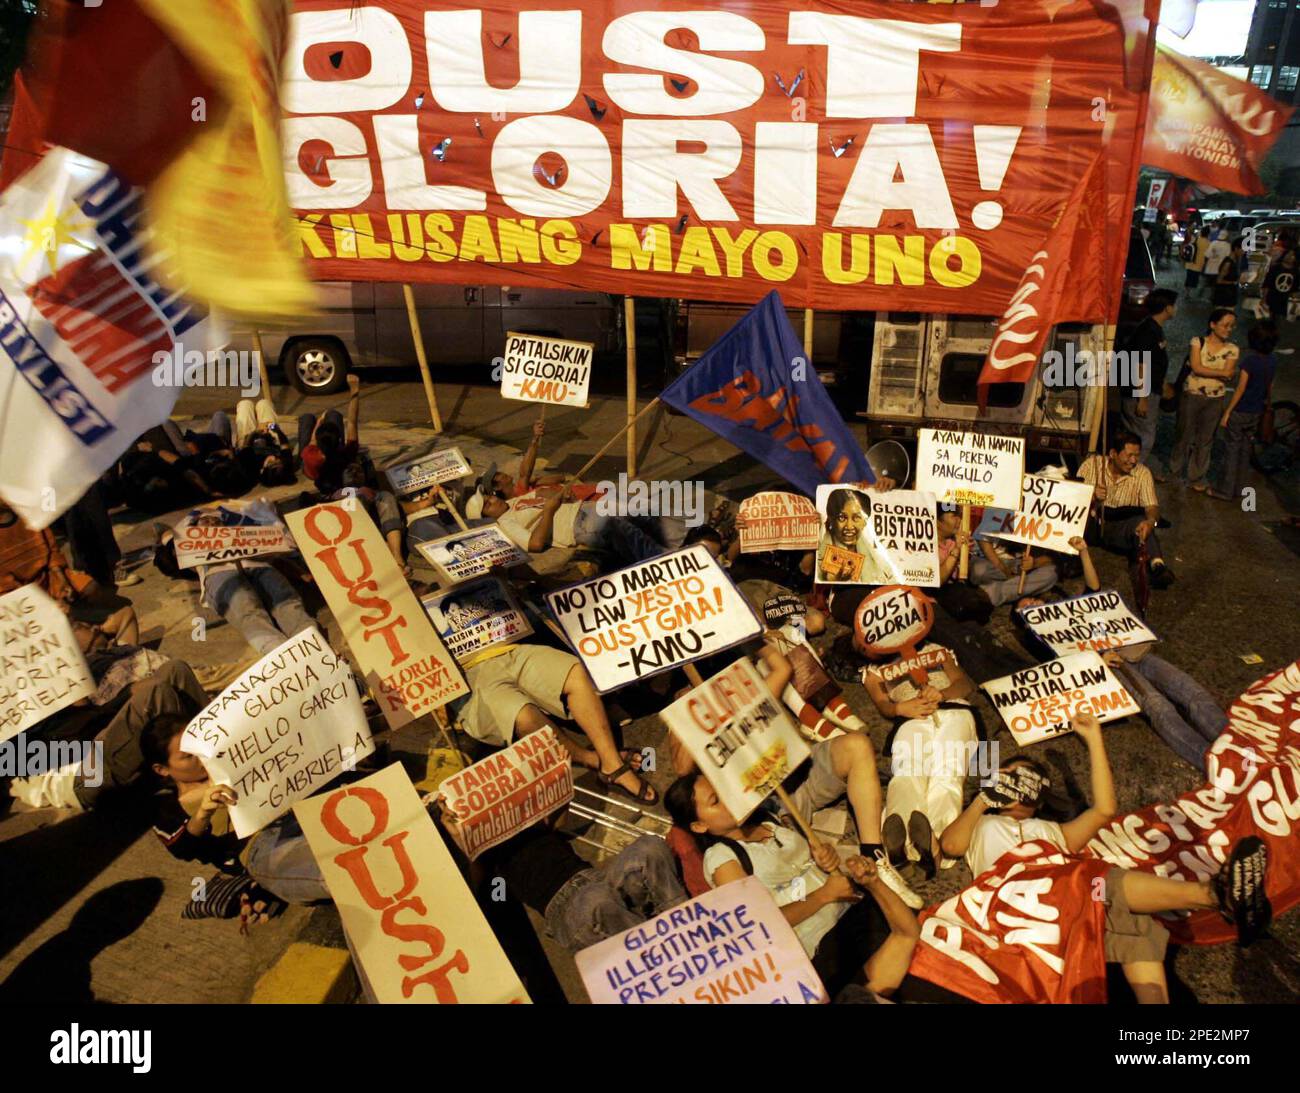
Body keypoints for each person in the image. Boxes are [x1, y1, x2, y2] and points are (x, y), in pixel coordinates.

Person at [940, 714, 1274, 1002]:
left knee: (1139, 927)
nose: (1013, 786)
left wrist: (1094, 738)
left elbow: (1104, 810)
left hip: (1064, 911)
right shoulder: (982, 823)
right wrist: (984, 799)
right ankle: (1215, 895)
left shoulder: (1053, 831)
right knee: (1095, 877)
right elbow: (952, 845)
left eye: (1023, 781)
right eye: (1007, 778)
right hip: (1017, 905)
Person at [665, 763, 921, 999]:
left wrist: (825, 859)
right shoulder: (723, 857)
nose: (728, 798)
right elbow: (755, 925)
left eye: (722, 788)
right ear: (699, 826)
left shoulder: (766, 818)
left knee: (919, 951)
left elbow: (806, 869)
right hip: (825, 943)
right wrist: (823, 895)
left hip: (852, 910)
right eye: (715, 801)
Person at [1012, 537, 1227, 770]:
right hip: (1109, 667)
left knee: (1188, 689)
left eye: (1033, 599)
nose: (1033, 604)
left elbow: (1093, 589)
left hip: (1132, 651)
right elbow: (1063, 663)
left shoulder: (1065, 610)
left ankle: (1235, 744)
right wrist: (1099, 660)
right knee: (1158, 706)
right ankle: (1212, 762)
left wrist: (1084, 552)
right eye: (1025, 608)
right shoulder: (1036, 639)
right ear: (1023, 622)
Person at [144, 714, 329, 911]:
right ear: (162, 769)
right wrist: (202, 814)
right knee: (337, 874)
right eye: (188, 756)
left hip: (299, 812)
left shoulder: (232, 755)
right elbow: (183, 848)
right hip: (259, 846)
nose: (200, 758)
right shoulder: (167, 808)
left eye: (200, 747)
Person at [452, 640, 658, 804]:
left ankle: (610, 759)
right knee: (525, 716)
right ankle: (595, 760)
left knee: (576, 673)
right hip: (466, 675)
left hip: (509, 647)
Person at [466, 823, 686, 954]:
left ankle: (689, 930)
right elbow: (480, 885)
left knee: (649, 847)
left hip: (596, 878)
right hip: (565, 910)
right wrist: (461, 837)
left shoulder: (526, 819)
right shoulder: (487, 856)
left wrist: (557, 771)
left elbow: (557, 821)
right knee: (597, 901)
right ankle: (661, 957)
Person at [861, 641, 977, 879]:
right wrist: (899, 708)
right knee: (907, 772)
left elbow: (965, 684)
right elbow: (882, 704)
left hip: (954, 710)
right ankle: (900, 843)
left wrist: (942, 693)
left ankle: (935, 842)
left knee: (947, 772)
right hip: (911, 718)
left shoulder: (935, 649)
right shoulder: (874, 670)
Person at [468, 477, 670, 565]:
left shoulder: (513, 503)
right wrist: (548, 511)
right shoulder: (506, 524)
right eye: (487, 505)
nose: (493, 499)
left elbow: (540, 492)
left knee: (638, 509)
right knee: (622, 528)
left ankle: (681, 540)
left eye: (489, 497)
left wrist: (555, 495)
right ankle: (667, 560)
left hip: (582, 508)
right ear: (487, 517)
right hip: (579, 526)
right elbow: (535, 544)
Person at [1079, 430, 1174, 589]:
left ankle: (1157, 566)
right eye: (1129, 455)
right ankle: (1067, 559)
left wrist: (1151, 521)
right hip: (1093, 522)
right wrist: (1092, 495)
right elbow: (1071, 496)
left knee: (1141, 523)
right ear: (1113, 453)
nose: (1133, 460)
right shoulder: (1091, 464)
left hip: (1120, 526)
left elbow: (1152, 506)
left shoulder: (1143, 473)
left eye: (1136, 455)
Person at [1168, 308, 1239, 492]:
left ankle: (1196, 477)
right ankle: (1174, 472)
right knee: (1183, 434)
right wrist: (1221, 373)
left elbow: (1229, 374)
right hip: (1192, 395)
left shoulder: (1232, 349)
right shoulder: (1197, 342)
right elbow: (1197, 367)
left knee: (1205, 439)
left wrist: (1214, 372)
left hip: (1215, 398)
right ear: (1212, 325)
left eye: (1231, 326)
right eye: (1225, 325)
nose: (1228, 329)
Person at [1211, 319, 1277, 502]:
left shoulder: (1250, 362)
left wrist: (1227, 412)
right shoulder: (1272, 360)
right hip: (1256, 412)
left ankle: (1225, 490)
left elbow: (1240, 389)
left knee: (1231, 450)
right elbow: (1270, 387)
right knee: (1245, 450)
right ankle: (1240, 489)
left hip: (1241, 410)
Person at [1117, 289, 1177, 460]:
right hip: (1141, 392)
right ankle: (1133, 474)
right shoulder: (1148, 331)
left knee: (1133, 434)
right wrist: (1142, 398)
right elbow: (1141, 365)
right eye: (1174, 305)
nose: (1175, 309)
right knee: (1144, 437)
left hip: (1146, 390)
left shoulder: (1154, 328)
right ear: (1167, 308)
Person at [299, 374, 363, 495]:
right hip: (331, 471)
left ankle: (315, 419)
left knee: (307, 418)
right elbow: (352, 422)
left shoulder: (310, 454)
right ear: (340, 439)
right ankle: (330, 417)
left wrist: (319, 421)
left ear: (318, 443)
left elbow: (312, 440)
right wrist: (354, 390)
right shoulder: (347, 453)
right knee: (334, 415)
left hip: (311, 473)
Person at [818, 488, 890, 584]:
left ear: (865, 521)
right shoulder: (819, 547)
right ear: (832, 519)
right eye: (841, 517)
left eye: (856, 517)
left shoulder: (878, 554)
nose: (849, 526)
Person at [1262, 247, 1296, 324]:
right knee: (1268, 320)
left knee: (1280, 322)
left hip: (1284, 300)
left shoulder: (1295, 271)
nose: (1290, 256)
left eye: (1293, 255)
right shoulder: (1275, 268)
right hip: (1271, 298)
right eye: (1288, 254)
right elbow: (1267, 284)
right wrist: (1263, 299)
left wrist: (1293, 303)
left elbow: (1293, 288)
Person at [1210, 236, 1245, 311]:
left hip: (1230, 295)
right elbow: (1219, 280)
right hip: (1223, 296)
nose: (1243, 252)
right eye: (1242, 250)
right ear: (1236, 248)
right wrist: (1234, 282)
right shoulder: (1228, 263)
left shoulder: (1236, 261)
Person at [1183, 225, 1210, 293]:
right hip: (1199, 264)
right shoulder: (1208, 243)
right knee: (1194, 279)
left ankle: (1187, 291)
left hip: (1190, 262)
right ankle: (1189, 292)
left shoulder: (1196, 239)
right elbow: (1207, 254)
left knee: (1188, 277)